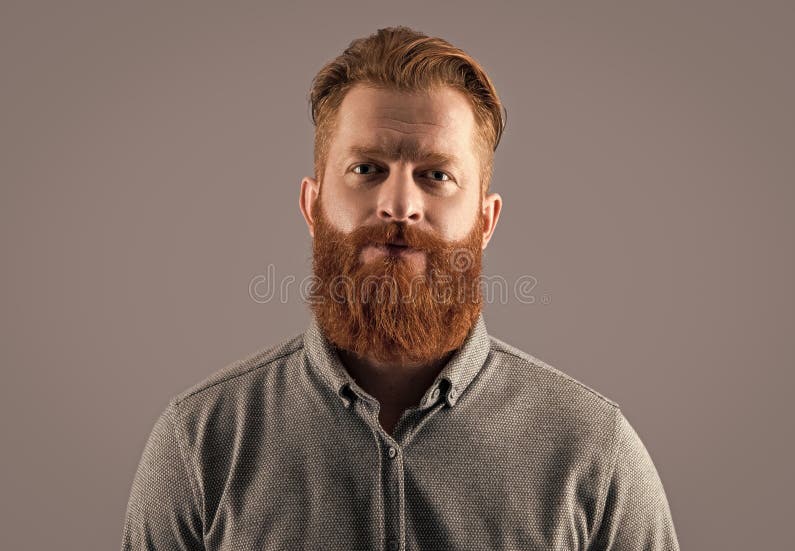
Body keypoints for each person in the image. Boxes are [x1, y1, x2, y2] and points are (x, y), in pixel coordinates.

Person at [120, 26, 680, 551]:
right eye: (366, 169)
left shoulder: (594, 452)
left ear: (486, 220)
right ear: (313, 204)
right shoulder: (199, 445)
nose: (400, 205)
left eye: (436, 175)